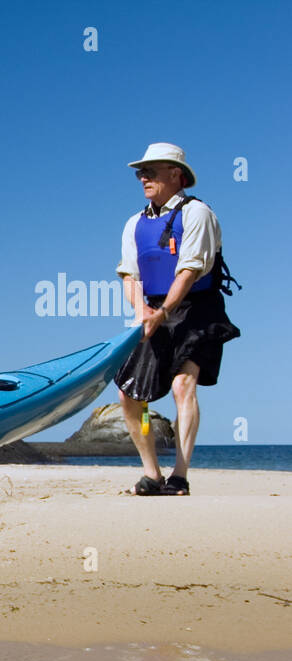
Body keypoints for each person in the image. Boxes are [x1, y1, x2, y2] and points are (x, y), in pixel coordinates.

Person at [114, 143, 240, 496]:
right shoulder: (133, 223)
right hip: (152, 309)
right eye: (141, 172)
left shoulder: (197, 213)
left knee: (184, 384)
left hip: (197, 309)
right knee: (130, 396)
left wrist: (164, 312)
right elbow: (129, 275)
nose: (143, 177)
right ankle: (152, 474)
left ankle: (180, 475)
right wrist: (143, 313)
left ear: (176, 175)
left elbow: (188, 271)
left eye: (151, 170)